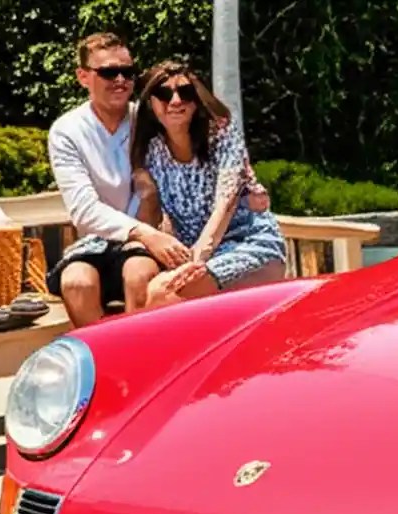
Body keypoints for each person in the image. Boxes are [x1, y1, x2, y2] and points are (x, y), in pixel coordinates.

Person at [43, 33, 269, 327]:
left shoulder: (151, 119)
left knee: (140, 274)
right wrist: (146, 233)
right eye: (109, 72)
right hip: (102, 239)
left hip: (149, 241)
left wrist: (246, 180)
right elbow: (83, 209)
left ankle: (141, 359)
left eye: (127, 72)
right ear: (83, 77)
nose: (120, 80)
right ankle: (109, 361)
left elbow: (201, 154)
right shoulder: (66, 131)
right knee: (76, 284)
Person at [129, 60, 288, 306]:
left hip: (246, 244)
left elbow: (225, 205)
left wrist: (195, 260)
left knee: (165, 293)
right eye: (163, 93)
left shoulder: (223, 134)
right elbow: (167, 216)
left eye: (185, 92)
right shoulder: (153, 150)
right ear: (150, 102)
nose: (175, 101)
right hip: (194, 251)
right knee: (140, 282)